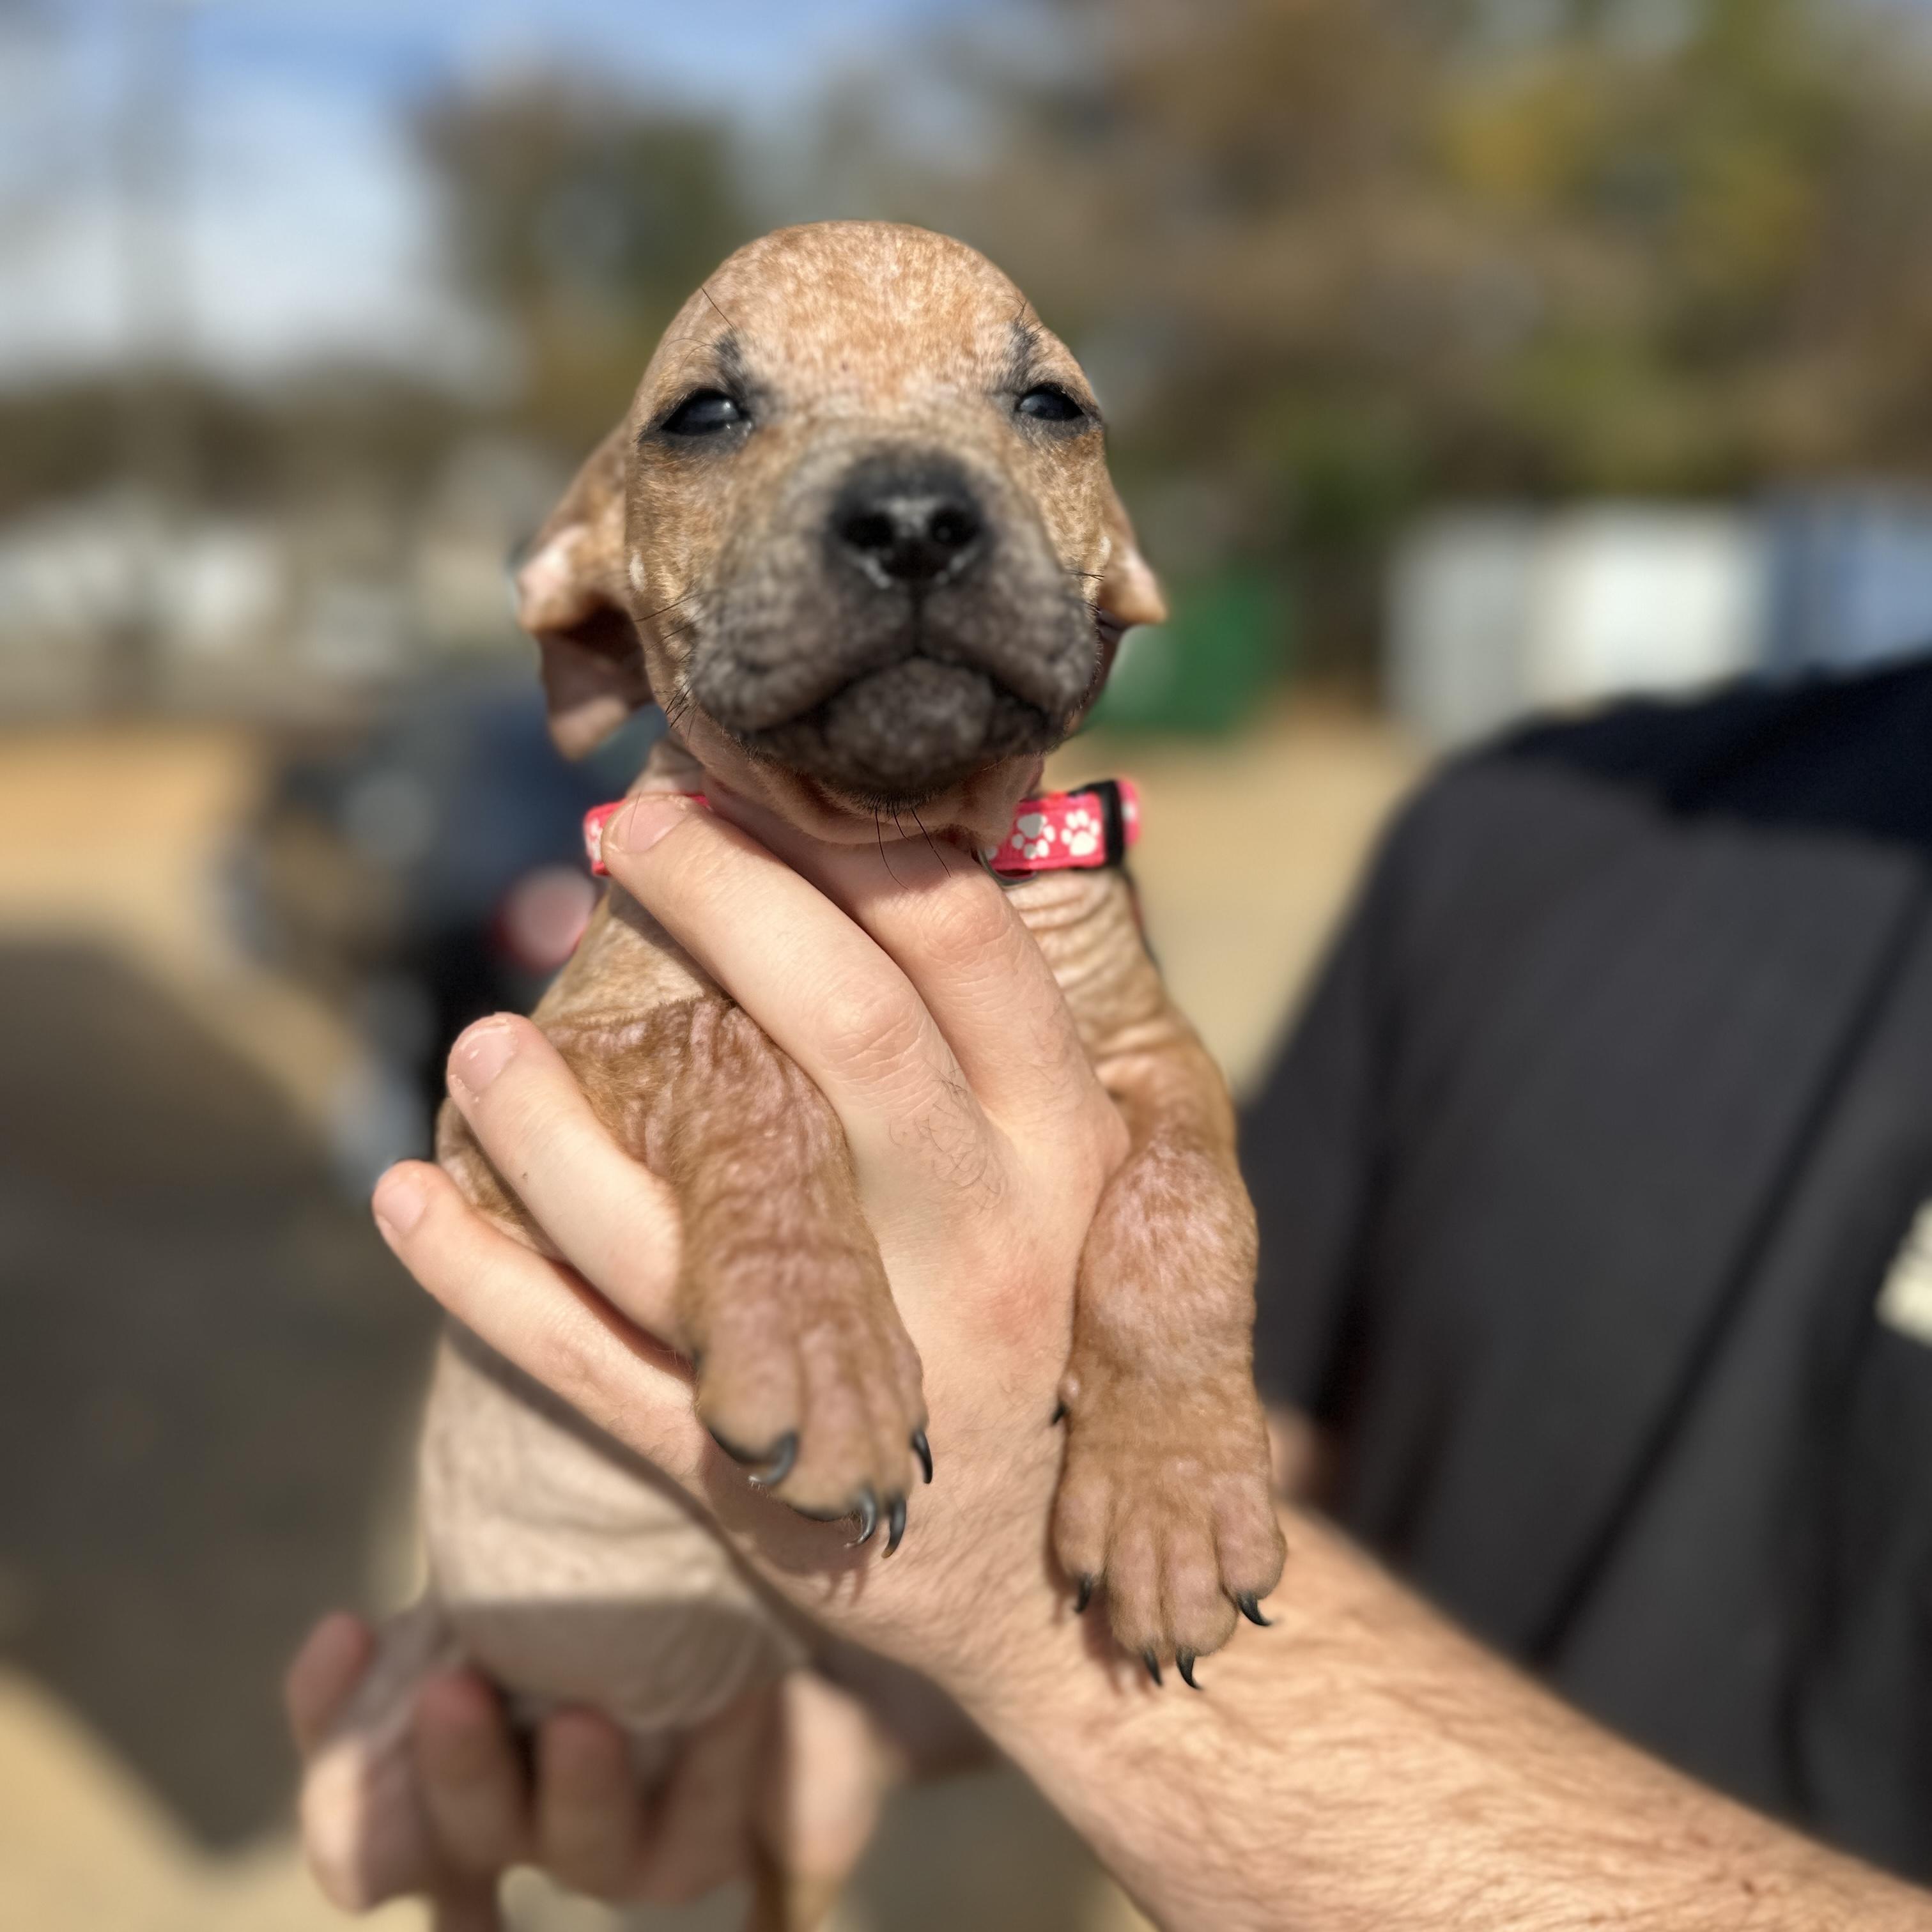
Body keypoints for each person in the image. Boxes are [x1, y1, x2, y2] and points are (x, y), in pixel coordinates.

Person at [290, 659, 1932, 1927]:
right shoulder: (1529, 822)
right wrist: (769, 1680)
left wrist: (1031, 1626)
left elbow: (1039, 1533)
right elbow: (1243, 1451)